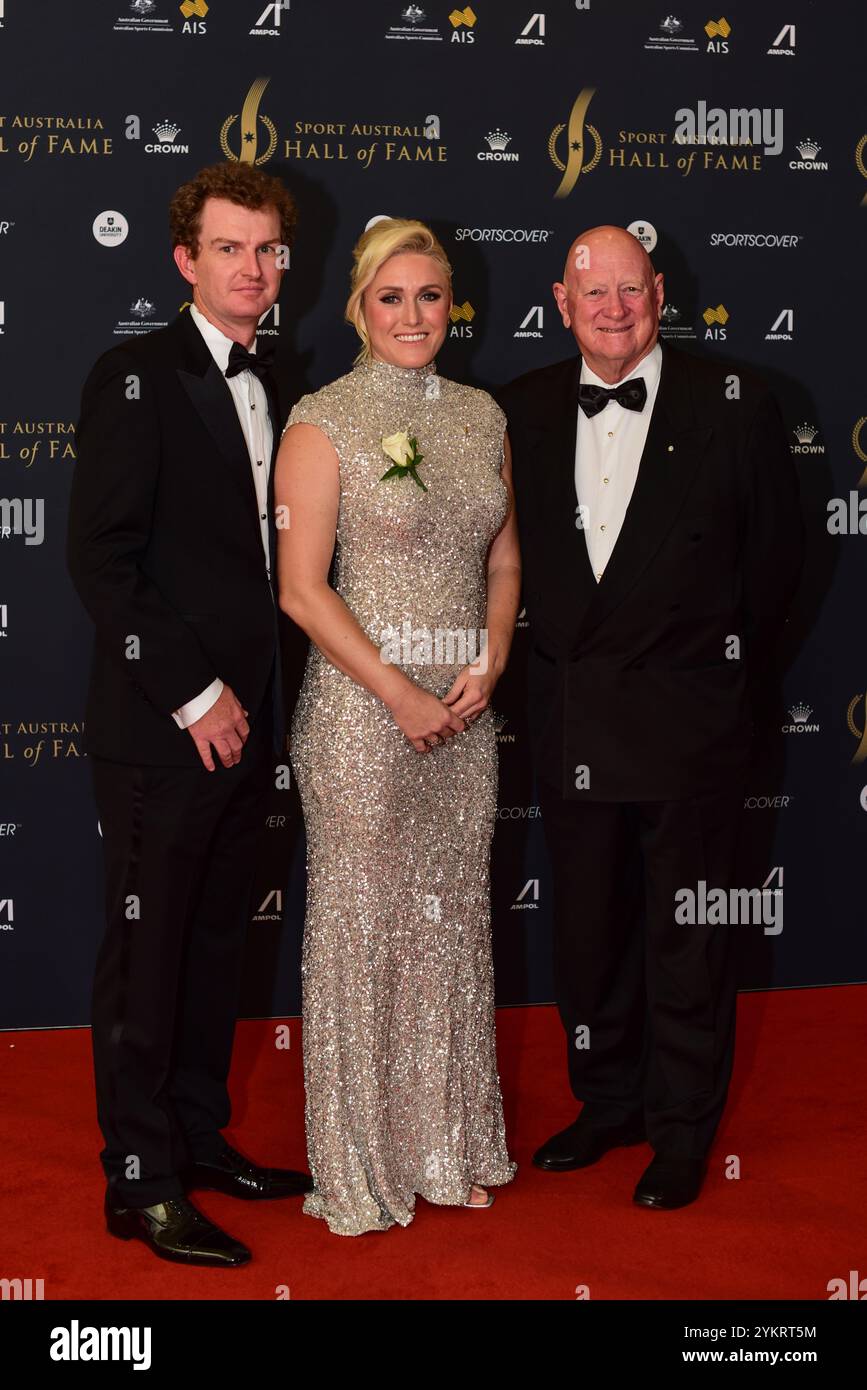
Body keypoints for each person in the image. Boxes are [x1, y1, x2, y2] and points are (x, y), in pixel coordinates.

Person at [497, 225, 803, 1209]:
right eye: (595, 293)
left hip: (690, 724)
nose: (615, 309)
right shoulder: (522, 409)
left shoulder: (736, 402)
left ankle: (681, 1128)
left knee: (686, 935)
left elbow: (779, 572)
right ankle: (608, 1101)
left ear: (660, 292)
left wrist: (724, 686)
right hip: (574, 719)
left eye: (631, 289)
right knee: (586, 933)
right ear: (561, 299)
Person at [67, 162, 311, 1268]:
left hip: (254, 728)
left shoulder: (289, 376)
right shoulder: (133, 375)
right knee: (148, 955)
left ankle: (200, 1138)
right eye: (229, 249)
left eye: (267, 251)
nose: (252, 269)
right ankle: (141, 1178)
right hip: (164, 730)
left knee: (218, 947)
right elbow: (104, 563)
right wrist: (195, 694)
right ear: (185, 260)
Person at [275, 217, 520, 1235]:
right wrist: (399, 693)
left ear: (451, 304)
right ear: (360, 310)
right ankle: (362, 1163)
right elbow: (300, 589)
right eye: (392, 297)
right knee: (366, 936)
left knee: (448, 930)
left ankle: (445, 1144)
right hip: (361, 722)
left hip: (464, 717)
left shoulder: (481, 414)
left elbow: (502, 561)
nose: (414, 315)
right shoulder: (321, 421)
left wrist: (491, 659)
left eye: (430, 296)